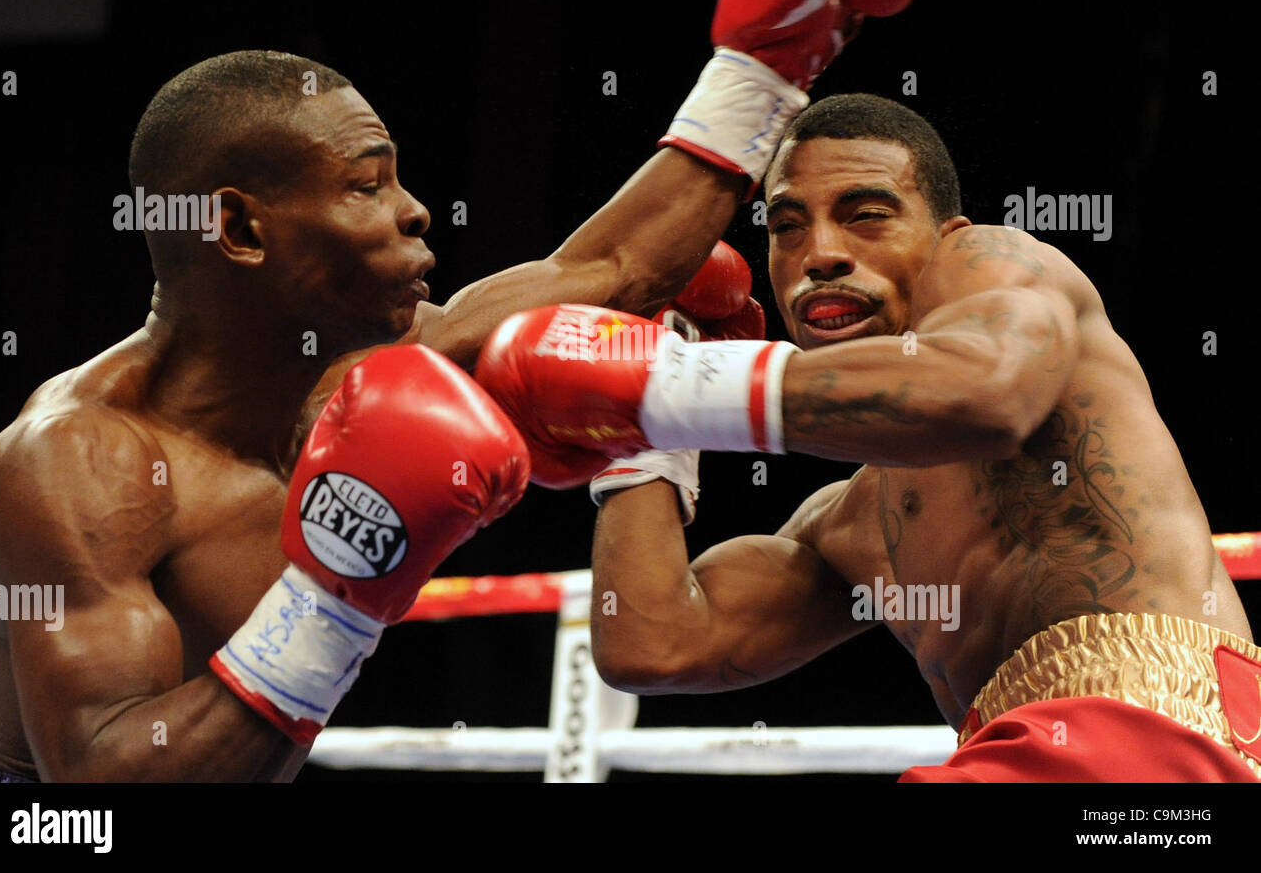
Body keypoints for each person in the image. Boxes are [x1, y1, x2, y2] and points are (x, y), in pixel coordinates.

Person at [0, 0, 921, 782]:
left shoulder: (377, 368)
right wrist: (335, 602)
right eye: (367, 185)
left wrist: (764, 67)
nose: (416, 210)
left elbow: (622, 265)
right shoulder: (76, 465)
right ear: (241, 231)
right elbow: (93, 791)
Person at [475, 92, 1261, 781]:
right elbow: (655, 645)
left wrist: (659, 383)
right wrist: (645, 436)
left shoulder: (998, 261)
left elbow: (985, 393)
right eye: (787, 227)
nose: (820, 255)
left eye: (867, 214)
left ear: (942, 231)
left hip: (1159, 732)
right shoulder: (851, 524)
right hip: (1030, 753)